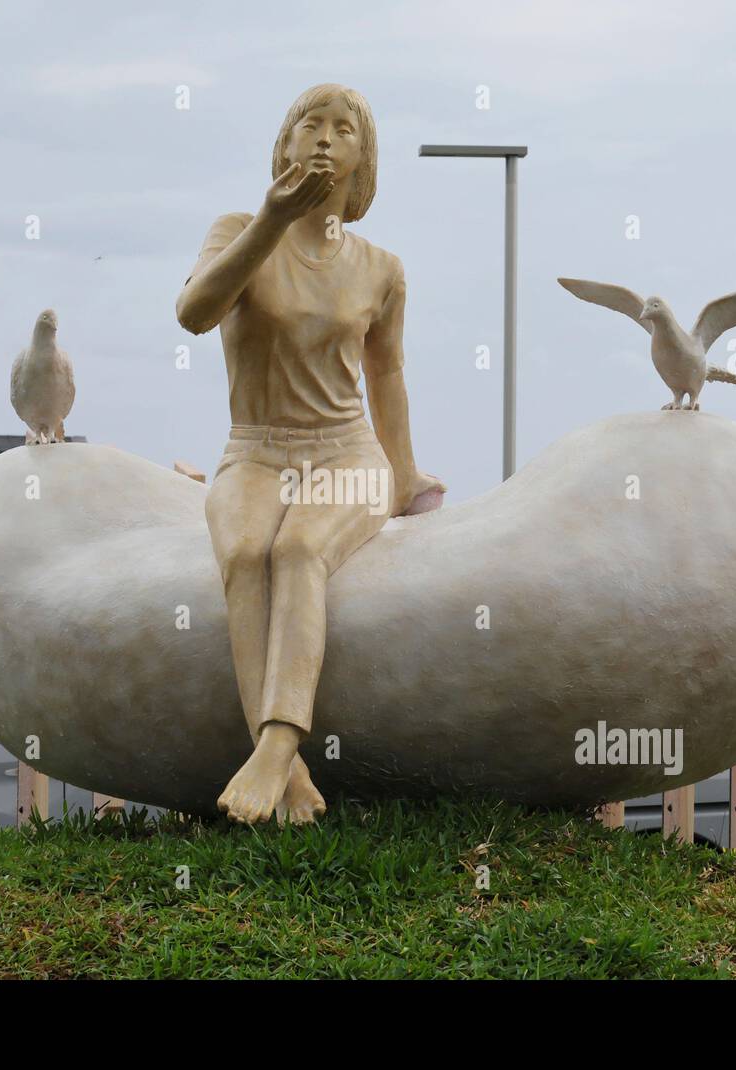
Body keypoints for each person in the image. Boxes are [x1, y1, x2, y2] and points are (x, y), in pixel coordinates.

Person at [175, 84, 444, 824]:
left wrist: (407, 473)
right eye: (308, 124)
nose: (324, 138)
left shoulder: (381, 268)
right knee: (241, 552)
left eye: (343, 129)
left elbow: (386, 374)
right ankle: (292, 780)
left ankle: (273, 746)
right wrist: (273, 217)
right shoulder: (237, 229)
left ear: (364, 159)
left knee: (296, 551)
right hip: (254, 451)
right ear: (284, 146)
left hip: (346, 455)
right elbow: (195, 312)